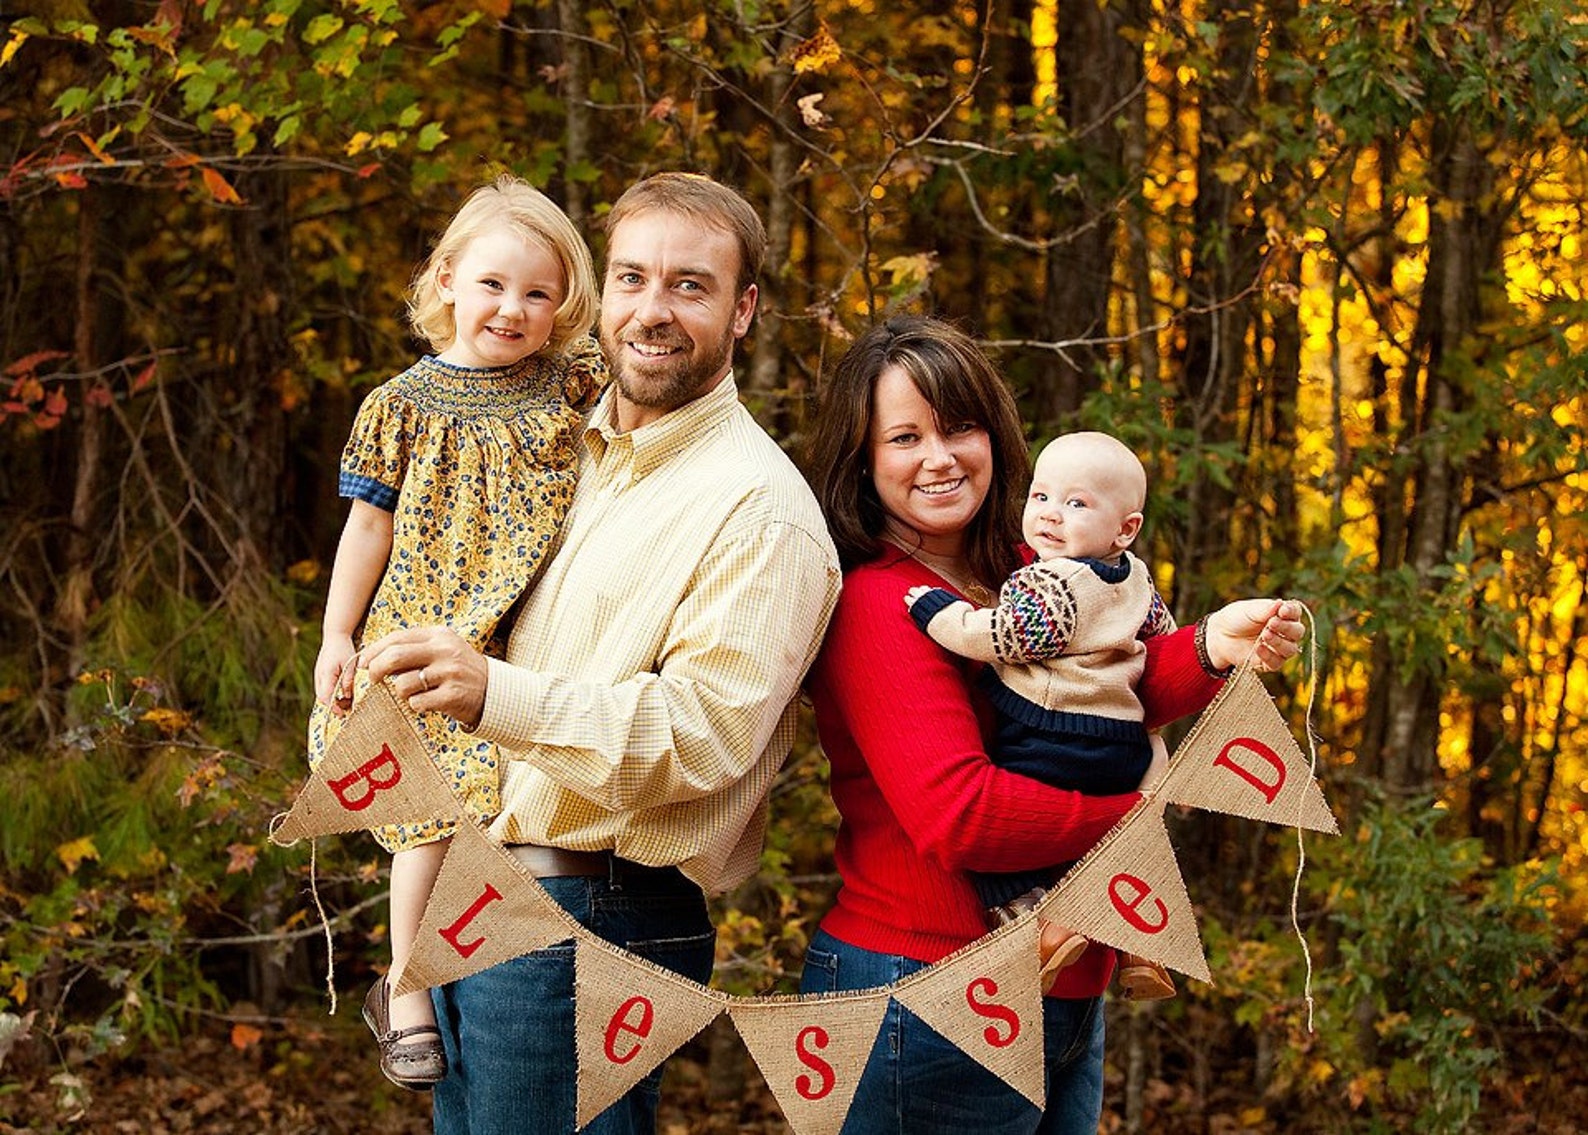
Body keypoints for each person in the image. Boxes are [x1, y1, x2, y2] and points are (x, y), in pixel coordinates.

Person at [357, 173, 842, 1134]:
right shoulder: (555, 447)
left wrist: (494, 691)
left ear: (743, 309)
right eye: (631, 278)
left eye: (690, 286)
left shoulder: (761, 512)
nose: (651, 311)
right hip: (474, 892)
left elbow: (701, 737)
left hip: (591, 920)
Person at [799, 315, 1303, 1134]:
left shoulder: (1029, 572)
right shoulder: (880, 604)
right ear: (864, 458)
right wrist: (1137, 822)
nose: (940, 455)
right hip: (928, 991)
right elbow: (961, 815)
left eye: (959, 426)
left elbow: (1103, 695)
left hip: (1061, 988)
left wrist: (1212, 646)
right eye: (904, 436)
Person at [306, 175, 605, 1091]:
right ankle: (404, 981)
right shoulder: (399, 404)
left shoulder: (572, 384)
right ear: (444, 280)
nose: (512, 309)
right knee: (428, 813)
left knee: (514, 802)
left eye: (537, 293)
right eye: (491, 284)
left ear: (562, 307)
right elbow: (367, 529)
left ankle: (497, 956)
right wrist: (337, 636)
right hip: (425, 623)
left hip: (531, 626)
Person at [904, 430, 1181, 1002]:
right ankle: (1140, 944)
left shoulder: (1049, 582)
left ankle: (1048, 929)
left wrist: (937, 612)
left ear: (1125, 527)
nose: (1052, 516)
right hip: (1123, 742)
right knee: (1116, 841)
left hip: (1055, 737)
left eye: (1077, 504)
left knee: (1002, 838)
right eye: (1042, 497)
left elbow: (1003, 636)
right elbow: (1165, 637)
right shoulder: (1135, 579)